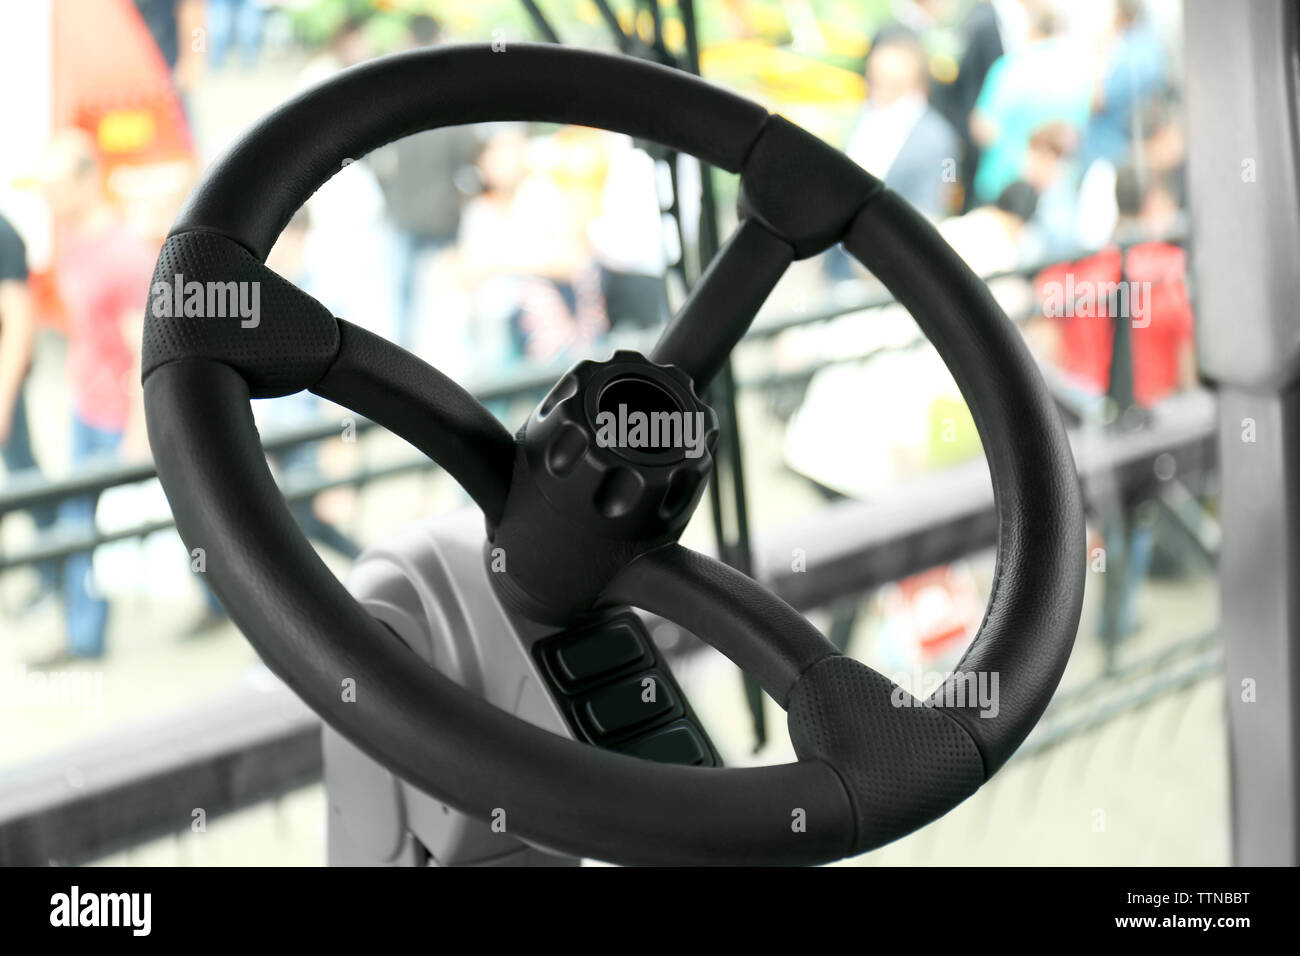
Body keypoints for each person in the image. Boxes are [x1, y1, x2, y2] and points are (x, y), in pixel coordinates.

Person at [40, 130, 156, 662]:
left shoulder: (124, 257)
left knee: (94, 526)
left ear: (88, 179)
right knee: (84, 522)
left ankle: (85, 639)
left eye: (58, 185)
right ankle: (83, 632)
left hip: (115, 417)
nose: (51, 197)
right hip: (84, 406)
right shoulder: (69, 240)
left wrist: (137, 434)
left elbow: (143, 351)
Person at [0, 211, 59, 610]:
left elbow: (19, 326)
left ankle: (52, 576)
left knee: (25, 477)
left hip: (3, 382)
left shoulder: (3, 235)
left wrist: (2, 404)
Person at [846, 28, 962, 221]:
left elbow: (942, 198)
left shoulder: (941, 140)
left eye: (887, 82)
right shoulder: (864, 114)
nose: (874, 88)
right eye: (873, 79)